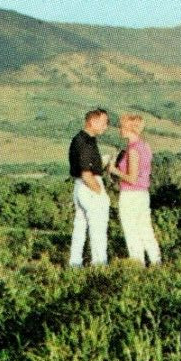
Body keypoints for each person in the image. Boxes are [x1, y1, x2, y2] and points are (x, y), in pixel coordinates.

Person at [108, 112, 162, 266]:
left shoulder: (132, 150)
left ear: (130, 128)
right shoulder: (145, 146)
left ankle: (137, 266)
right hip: (143, 194)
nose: (120, 129)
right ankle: (156, 263)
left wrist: (114, 170)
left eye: (122, 126)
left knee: (131, 232)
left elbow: (132, 178)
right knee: (146, 230)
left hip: (130, 195)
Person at [67, 107, 110, 267]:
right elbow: (86, 173)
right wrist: (99, 192)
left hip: (80, 187)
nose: (106, 126)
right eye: (104, 122)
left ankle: (75, 265)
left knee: (79, 228)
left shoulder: (81, 139)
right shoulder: (84, 142)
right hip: (90, 187)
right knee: (98, 229)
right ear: (92, 121)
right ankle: (100, 266)